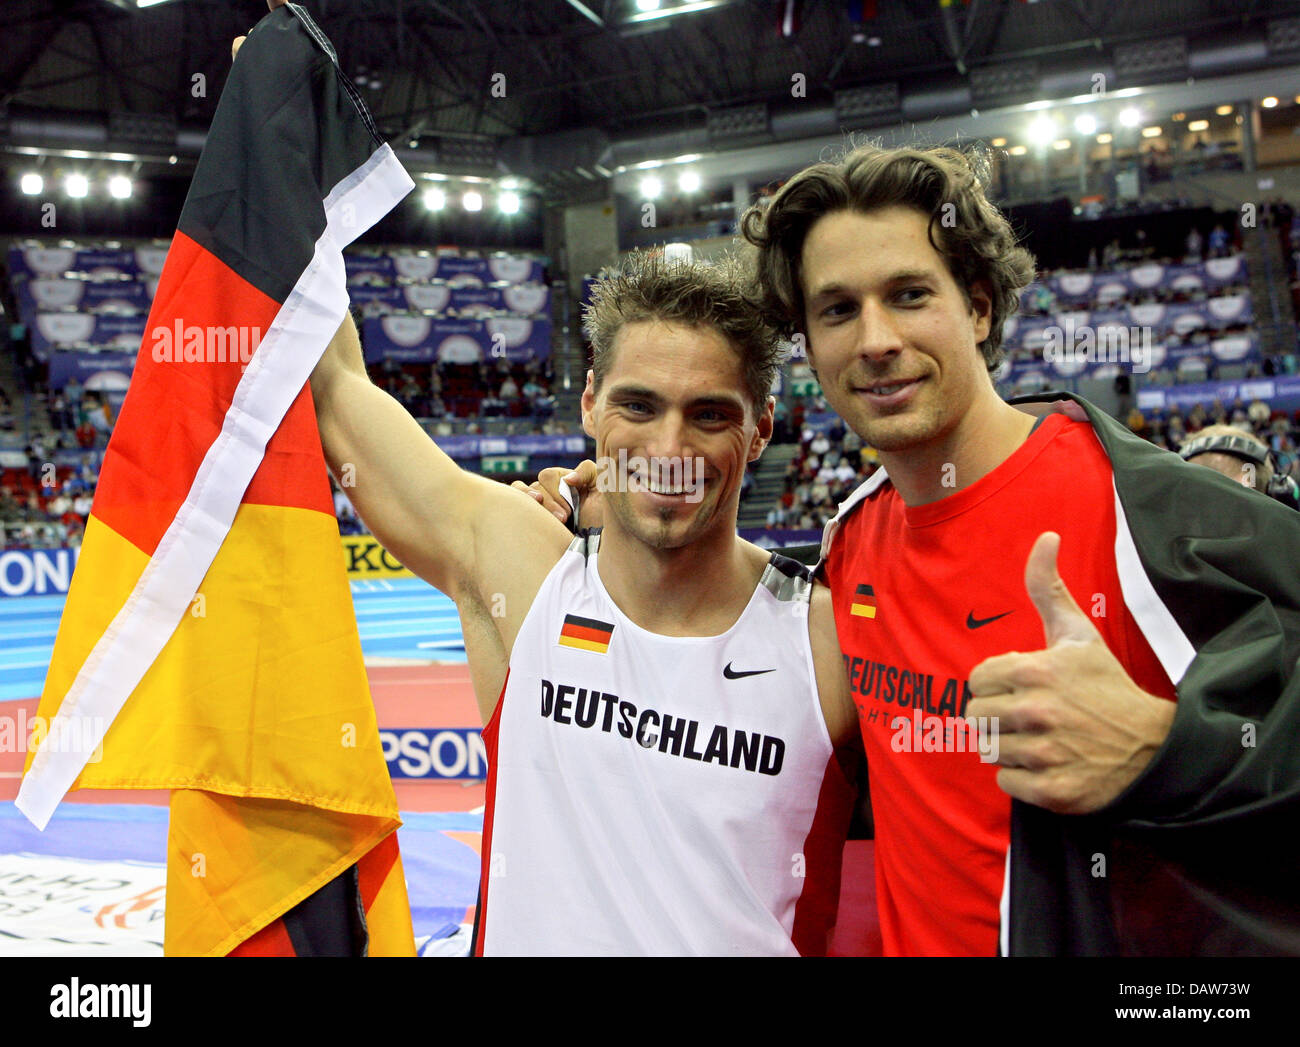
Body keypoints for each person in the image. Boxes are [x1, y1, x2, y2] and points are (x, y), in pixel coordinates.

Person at [736, 141, 1300, 956]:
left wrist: (1166, 746)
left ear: (978, 308)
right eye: (837, 310)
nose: (876, 338)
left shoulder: (1144, 507)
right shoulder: (853, 539)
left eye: (909, 294)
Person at [307, 249, 859, 956]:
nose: (670, 446)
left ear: (762, 428)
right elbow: (335, 385)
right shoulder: (524, 578)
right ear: (590, 402)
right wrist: (291, 171)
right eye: (639, 404)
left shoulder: (826, 635)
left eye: (709, 414)